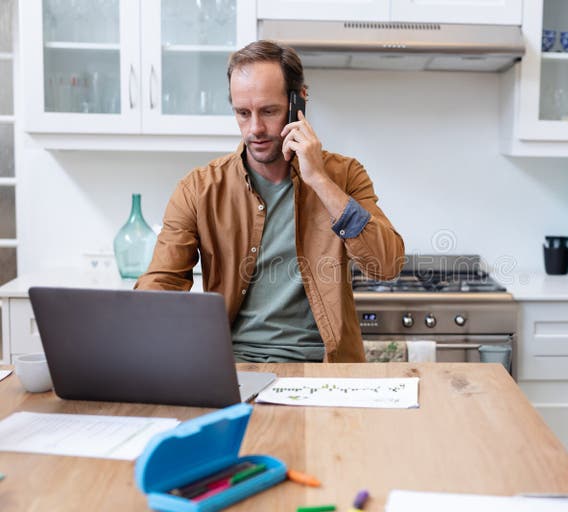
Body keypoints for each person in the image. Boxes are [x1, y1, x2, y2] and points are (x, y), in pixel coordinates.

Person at [135, 41, 404, 363]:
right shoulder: (198, 188)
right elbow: (162, 280)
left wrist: (318, 179)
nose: (255, 129)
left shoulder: (344, 174)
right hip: (232, 366)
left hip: (324, 368)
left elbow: (386, 266)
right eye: (242, 113)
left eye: (269, 111)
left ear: (298, 102)